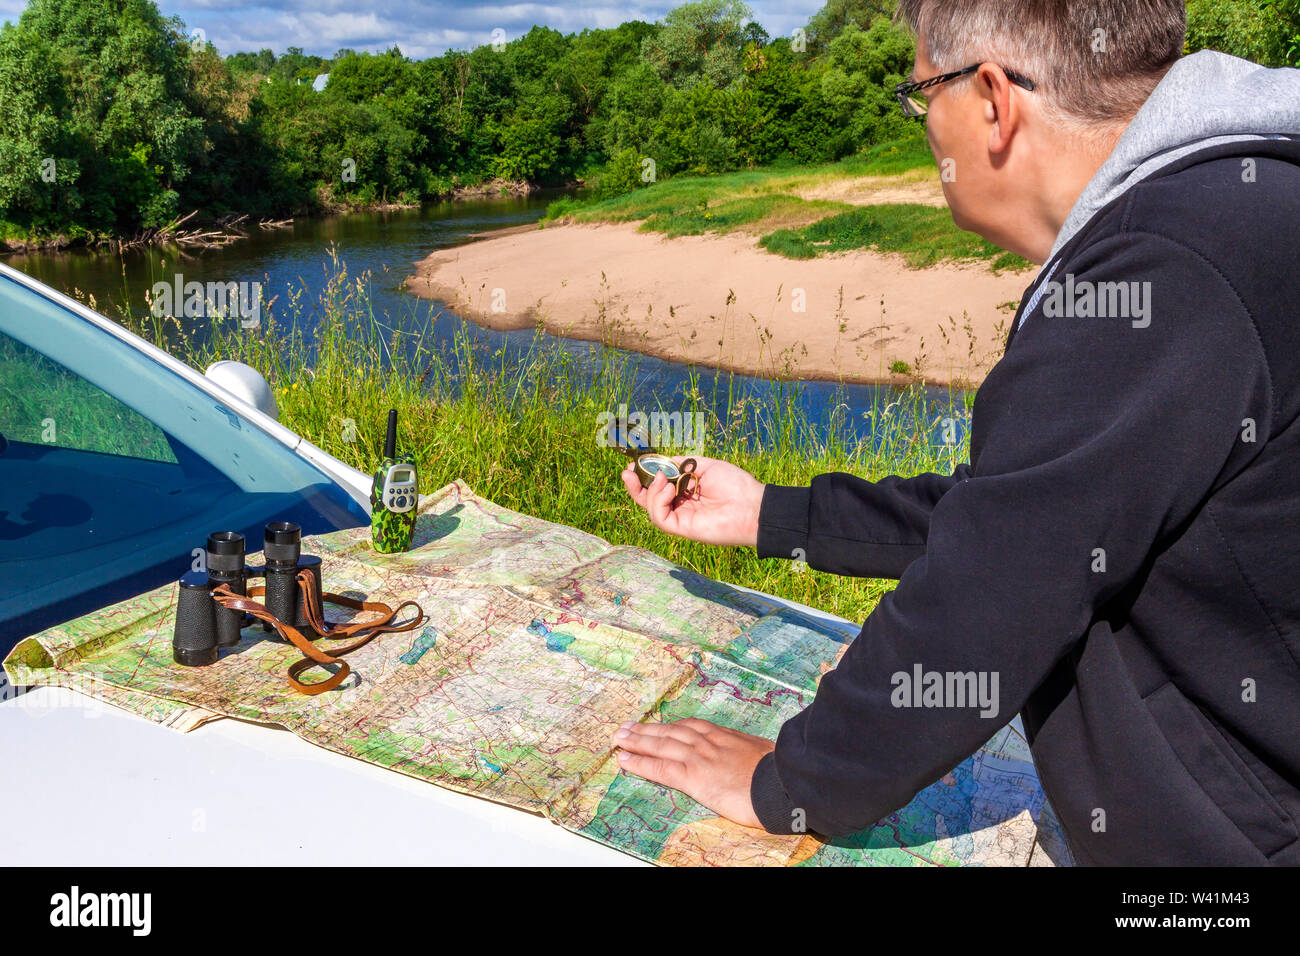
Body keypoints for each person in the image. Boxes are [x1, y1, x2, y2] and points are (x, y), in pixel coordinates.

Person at [614, 0, 1300, 865]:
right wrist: (774, 516)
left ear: (990, 100)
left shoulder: (1166, 266)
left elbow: (996, 588)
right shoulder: (1239, 208)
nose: (920, 126)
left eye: (918, 95)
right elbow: (1033, 509)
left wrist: (790, 785)